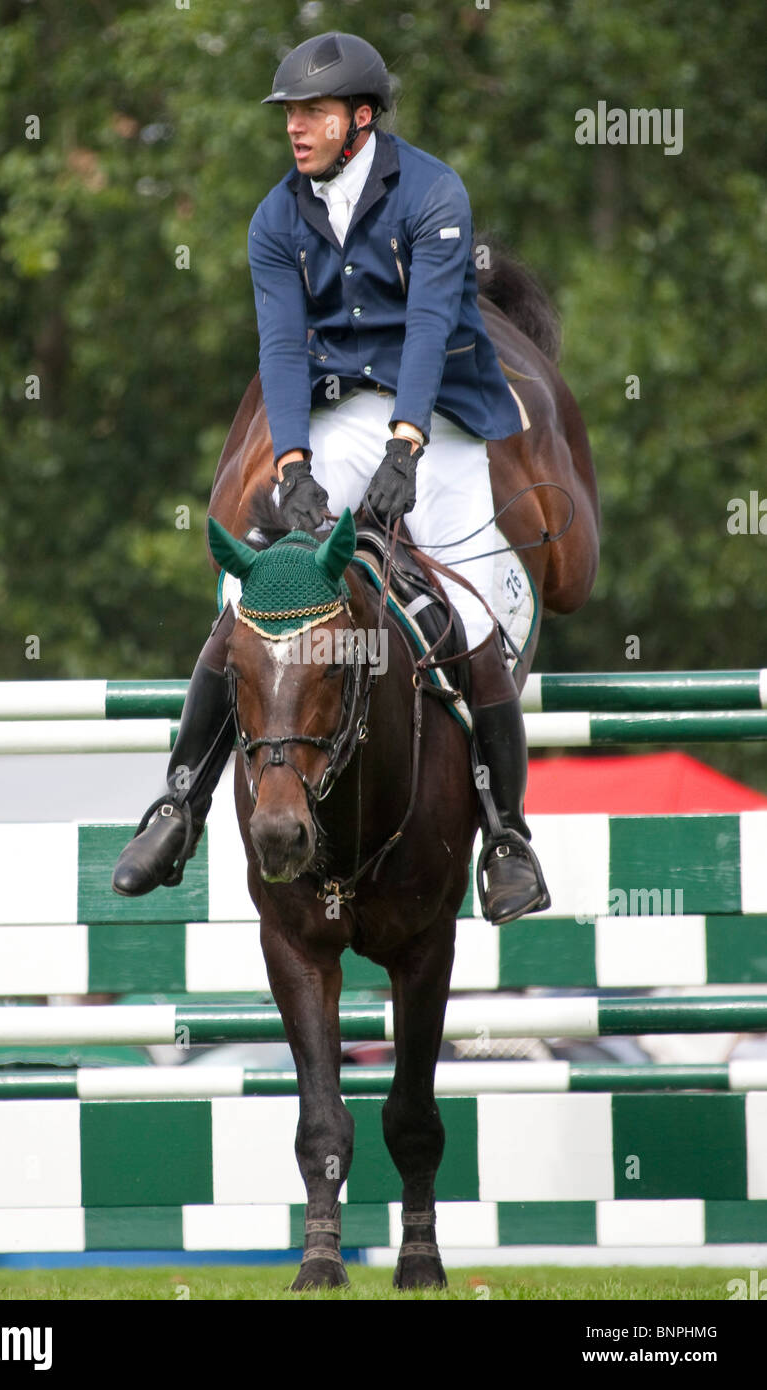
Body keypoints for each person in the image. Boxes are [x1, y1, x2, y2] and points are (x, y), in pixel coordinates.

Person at [112, 31, 549, 925]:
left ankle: (507, 835)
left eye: (311, 113)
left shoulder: (433, 192)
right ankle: (179, 802)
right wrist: (295, 464)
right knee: (251, 596)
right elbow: (279, 344)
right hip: (340, 418)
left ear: (359, 119)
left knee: (469, 620)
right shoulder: (275, 218)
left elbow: (429, 329)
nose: (296, 129)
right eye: (289, 115)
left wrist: (408, 446)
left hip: (450, 416)